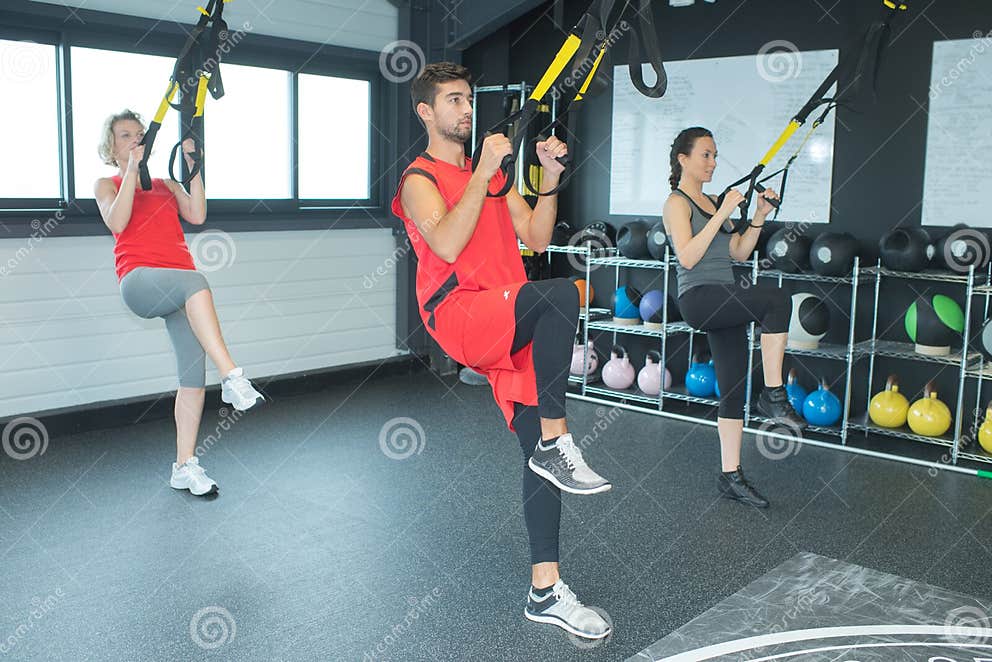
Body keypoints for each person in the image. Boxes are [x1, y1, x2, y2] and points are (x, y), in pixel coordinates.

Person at [392, 62, 611, 639]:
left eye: (469, 99)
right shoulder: (418, 178)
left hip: (509, 317)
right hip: (460, 312)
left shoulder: (491, 178)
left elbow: (537, 237)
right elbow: (444, 240)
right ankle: (561, 440)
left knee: (537, 450)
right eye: (453, 100)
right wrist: (482, 171)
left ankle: (546, 591)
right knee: (564, 293)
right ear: (426, 112)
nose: (466, 109)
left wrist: (548, 175)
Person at [94, 109, 265, 497]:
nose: (135, 140)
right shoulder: (106, 183)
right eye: (125, 136)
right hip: (139, 281)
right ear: (112, 147)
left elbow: (198, 214)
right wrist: (131, 173)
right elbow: (117, 223)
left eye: (139, 134)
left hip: (180, 288)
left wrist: (193, 167)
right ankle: (233, 377)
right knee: (197, 281)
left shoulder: (167, 186)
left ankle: (184, 466)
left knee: (191, 379)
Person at [663, 126, 807, 509]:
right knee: (776, 299)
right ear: (684, 159)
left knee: (731, 389)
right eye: (705, 155)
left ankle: (731, 476)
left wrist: (757, 216)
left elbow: (740, 252)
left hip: (723, 297)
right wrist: (724, 211)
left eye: (714, 155)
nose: (712, 162)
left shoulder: (712, 201)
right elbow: (688, 257)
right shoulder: (677, 204)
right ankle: (774, 394)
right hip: (698, 298)